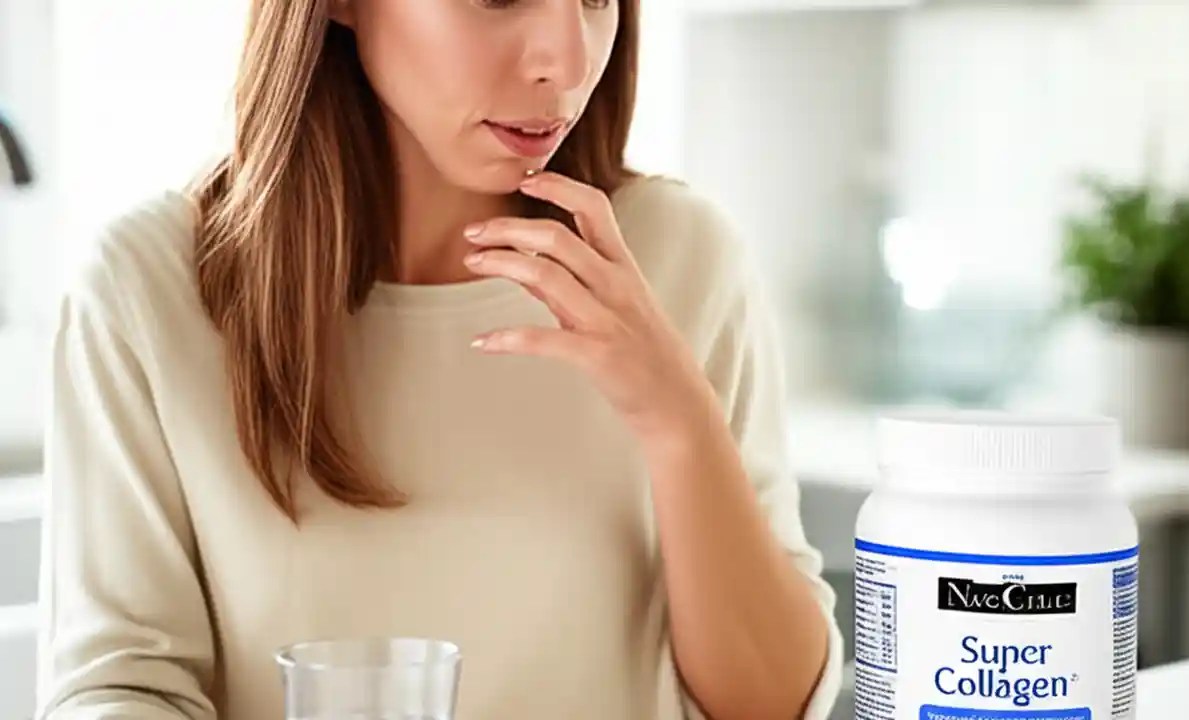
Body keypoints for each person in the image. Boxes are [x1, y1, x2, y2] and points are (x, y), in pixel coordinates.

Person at [36, 1, 842, 718]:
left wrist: (677, 420)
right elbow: (119, 685)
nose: (564, 59)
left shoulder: (676, 258)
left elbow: (771, 703)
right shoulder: (148, 290)